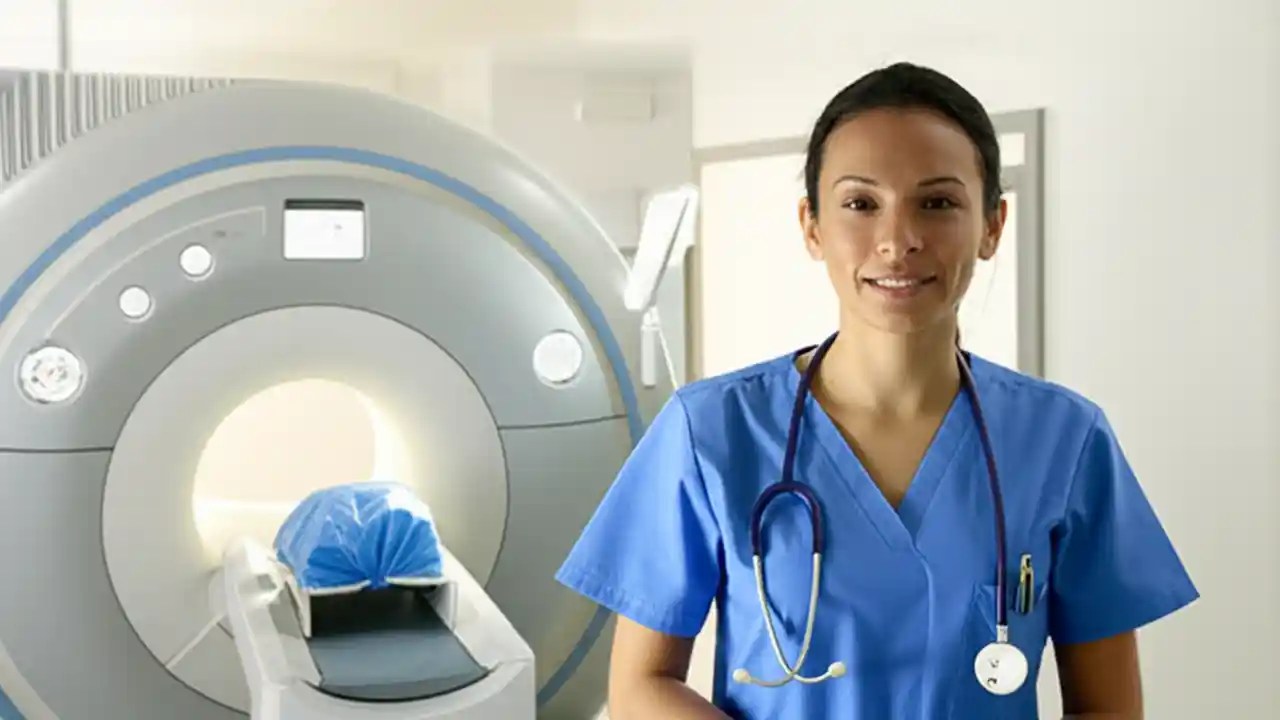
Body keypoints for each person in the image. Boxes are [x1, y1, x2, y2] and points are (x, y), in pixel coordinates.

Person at [554, 62, 1198, 719]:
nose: (897, 241)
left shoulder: (1065, 441)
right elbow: (641, 687)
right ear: (811, 225)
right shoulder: (710, 431)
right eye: (861, 204)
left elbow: (1109, 707)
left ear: (992, 226)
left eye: (938, 203)